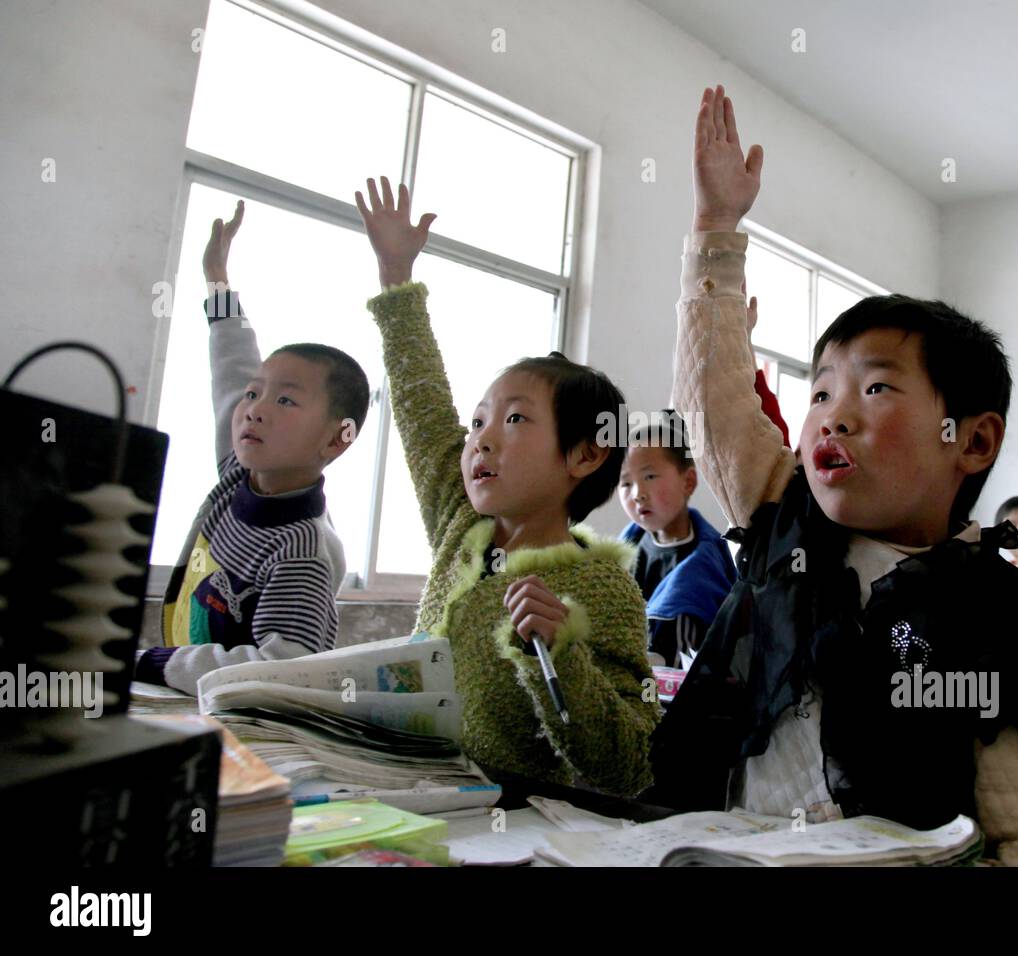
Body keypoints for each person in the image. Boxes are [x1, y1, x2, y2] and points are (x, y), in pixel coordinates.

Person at [649, 87, 1018, 866]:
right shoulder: (786, 522)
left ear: (971, 441)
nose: (834, 415)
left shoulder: (1003, 623)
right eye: (822, 391)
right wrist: (715, 232)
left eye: (875, 389)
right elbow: (714, 407)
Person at [356, 176, 657, 796]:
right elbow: (419, 404)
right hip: (413, 795)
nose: (480, 441)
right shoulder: (461, 523)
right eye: (479, 422)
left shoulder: (603, 589)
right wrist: (395, 277)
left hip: (516, 829)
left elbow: (629, 766)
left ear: (584, 454)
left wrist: (561, 655)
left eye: (515, 419)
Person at [136, 201, 366, 695]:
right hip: (193, 697)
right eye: (255, 394)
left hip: (250, 722)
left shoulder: (302, 552)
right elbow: (232, 366)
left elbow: (281, 668)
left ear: (337, 437)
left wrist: (157, 664)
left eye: (286, 400)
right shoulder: (238, 472)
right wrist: (217, 278)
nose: (255, 408)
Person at [617, 411, 737, 669]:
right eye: (626, 483)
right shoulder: (622, 550)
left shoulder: (705, 568)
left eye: (649, 477)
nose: (637, 494)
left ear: (688, 482)